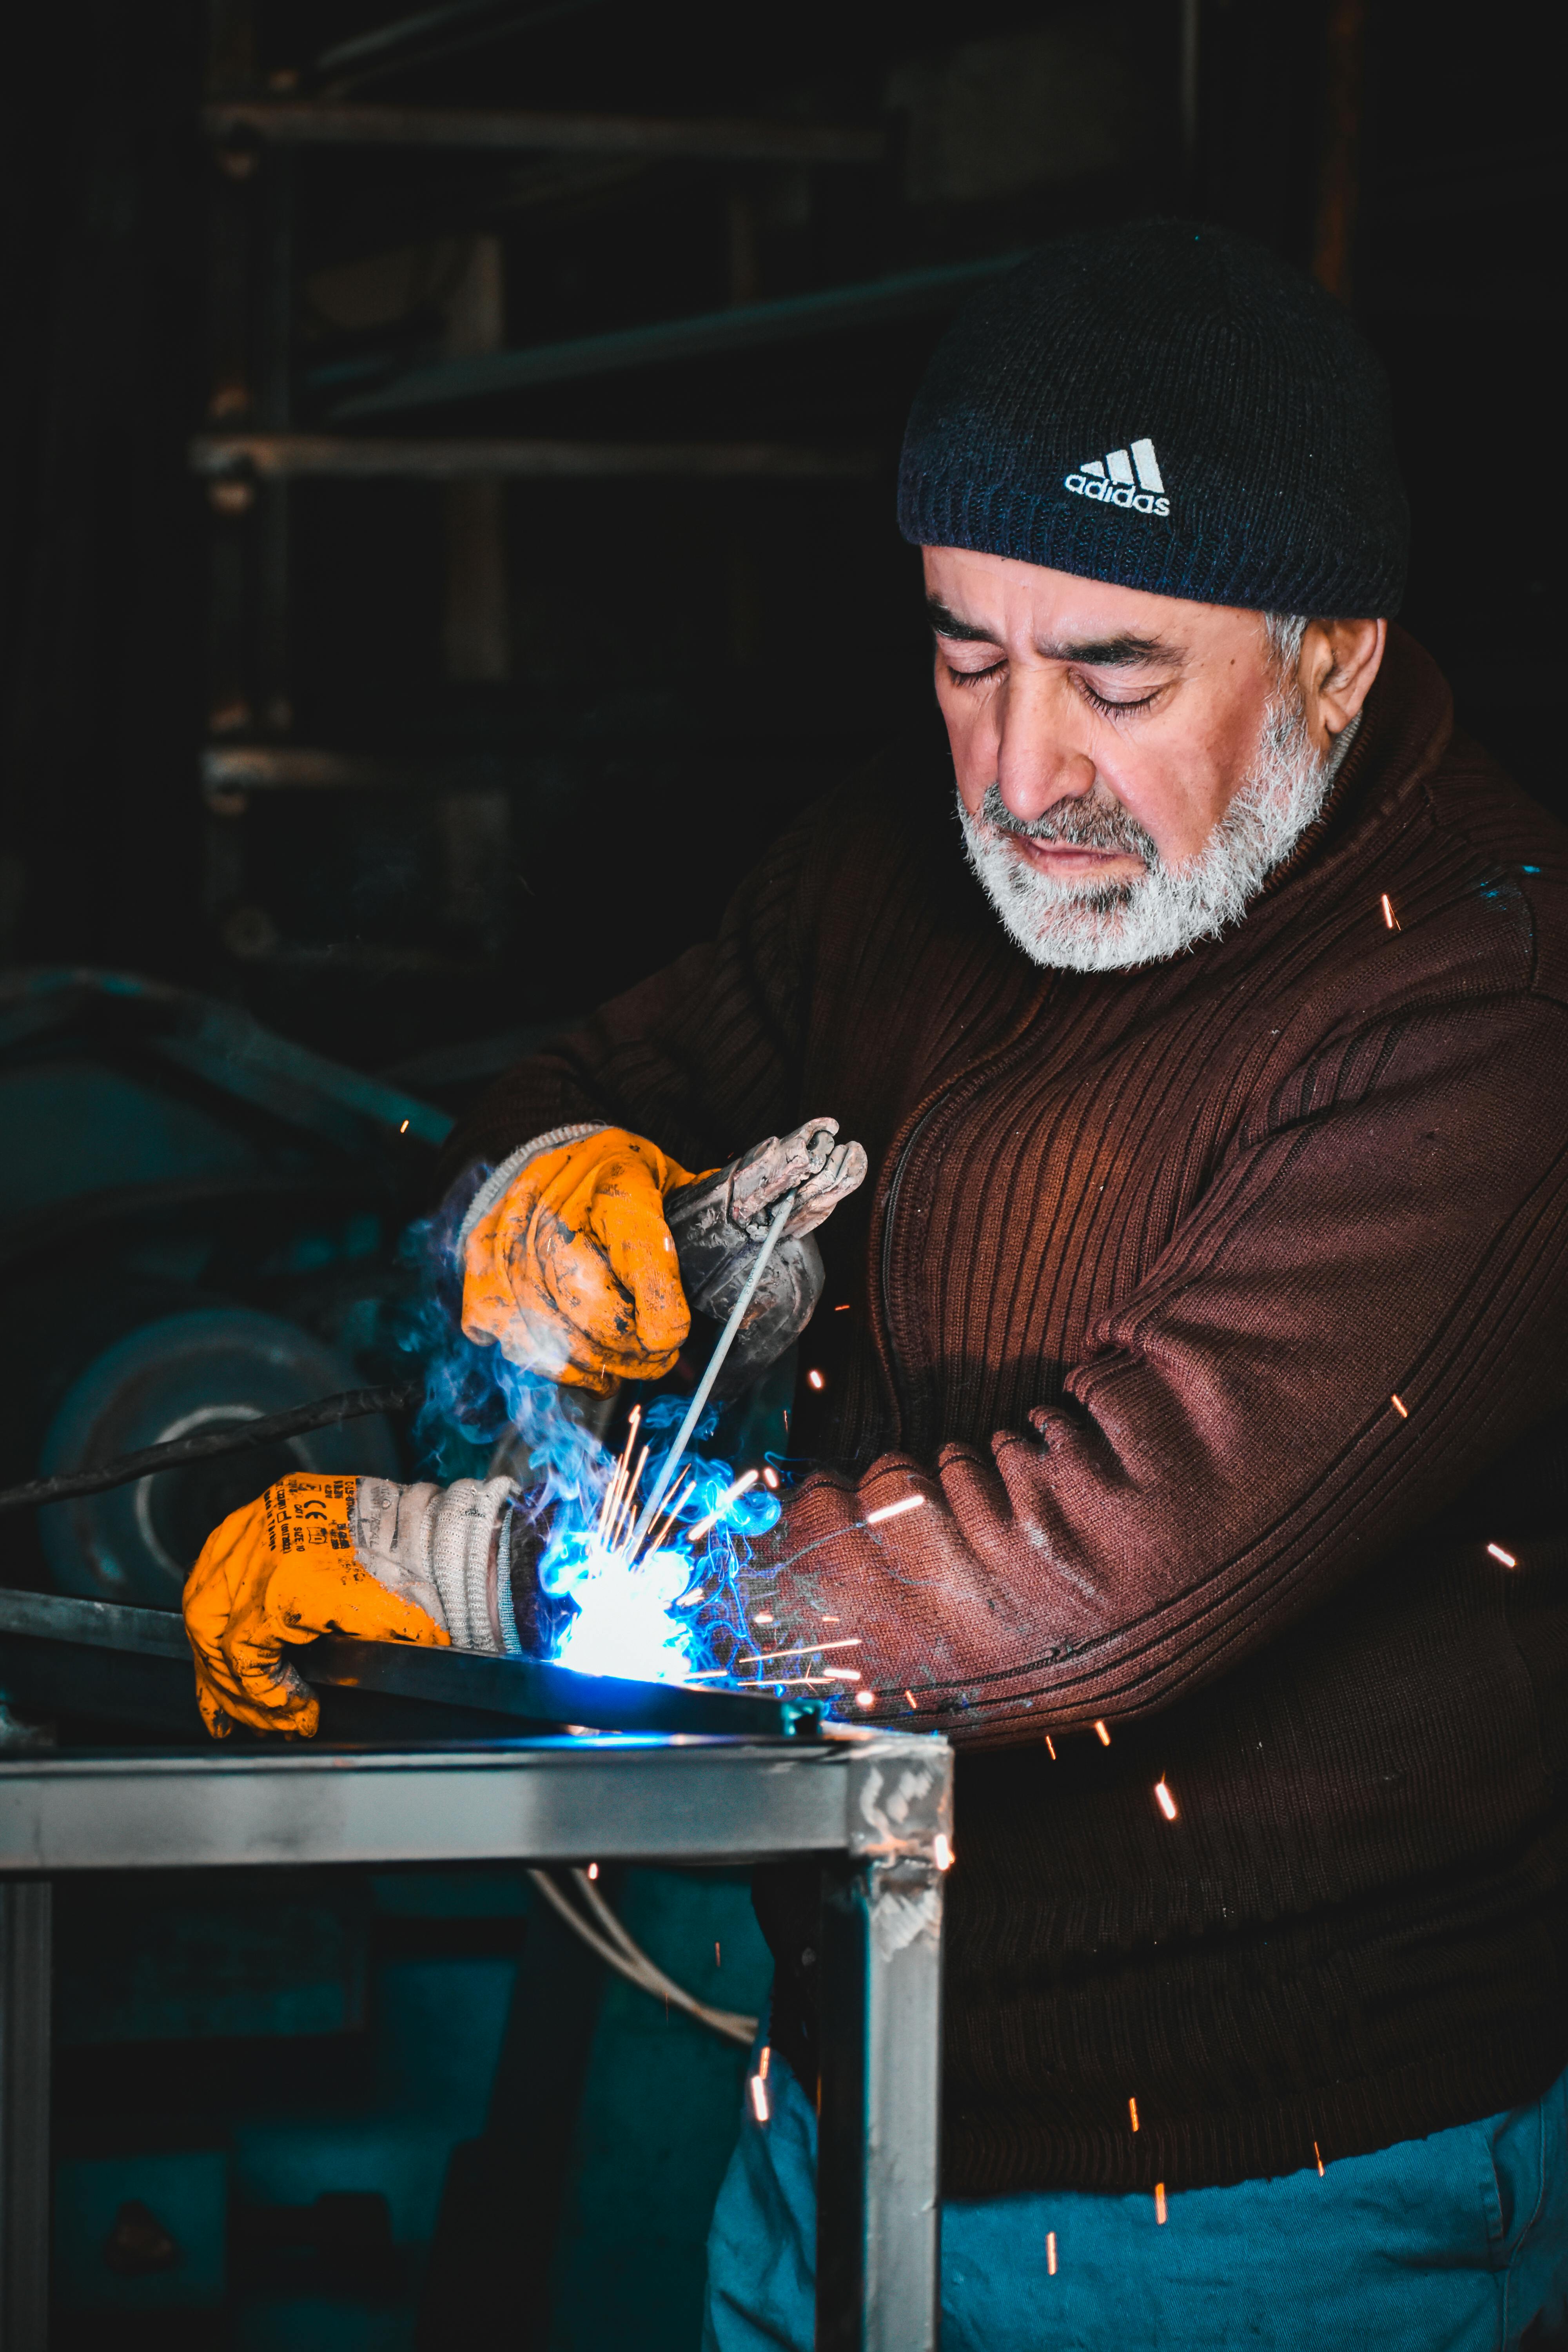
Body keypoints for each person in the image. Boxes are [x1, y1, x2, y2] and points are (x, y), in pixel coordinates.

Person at [184, 221, 1568, 2349]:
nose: (1022, 775)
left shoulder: (1480, 1005)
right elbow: (585, 1076)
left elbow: (1082, 1572)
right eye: (965, 655)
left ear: (1334, 656)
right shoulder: (892, 870)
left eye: (1115, 674)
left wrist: (480, 1569)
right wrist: (550, 1189)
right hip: (844, 2116)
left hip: (1258, 2225)